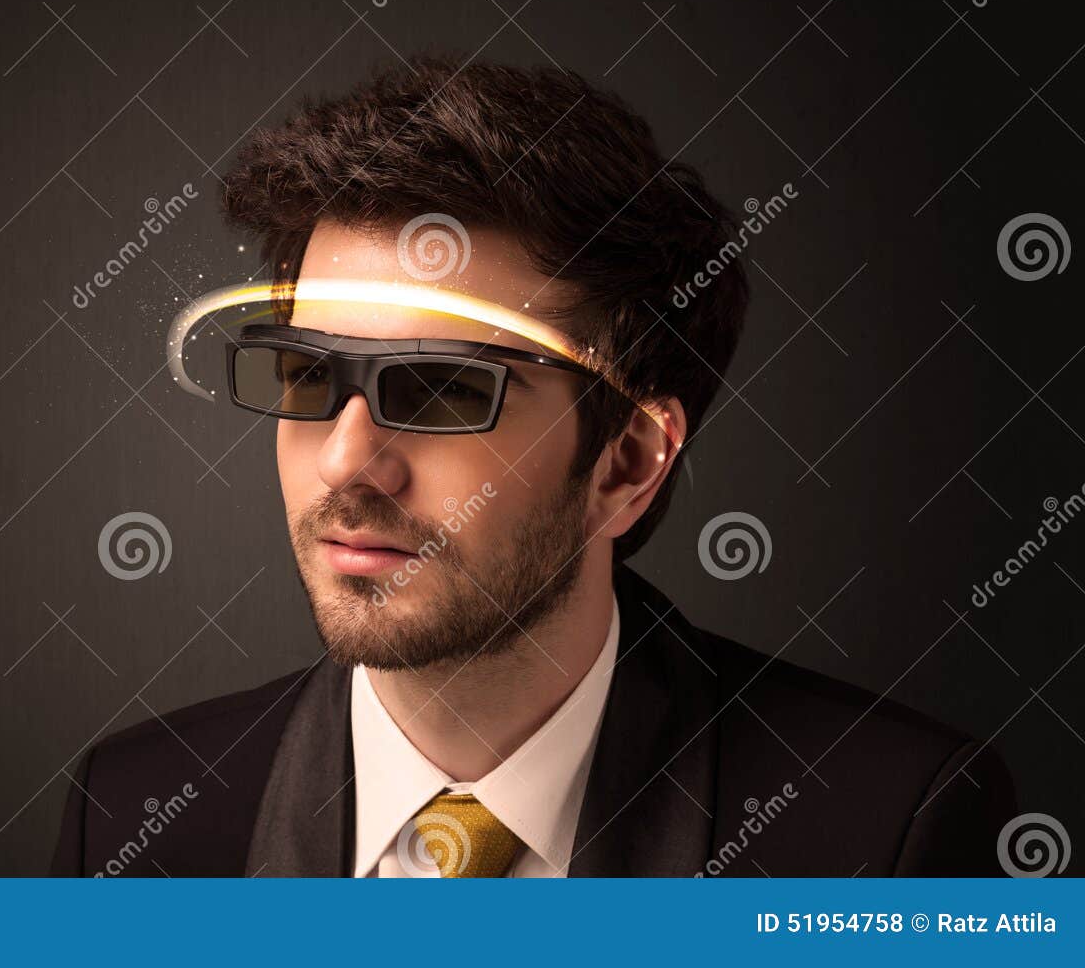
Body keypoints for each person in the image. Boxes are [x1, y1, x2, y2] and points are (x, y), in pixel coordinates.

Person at [50, 57, 1012, 877]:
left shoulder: (883, 834)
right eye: (308, 374)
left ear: (627, 462)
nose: (347, 460)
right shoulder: (136, 820)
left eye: (441, 390)